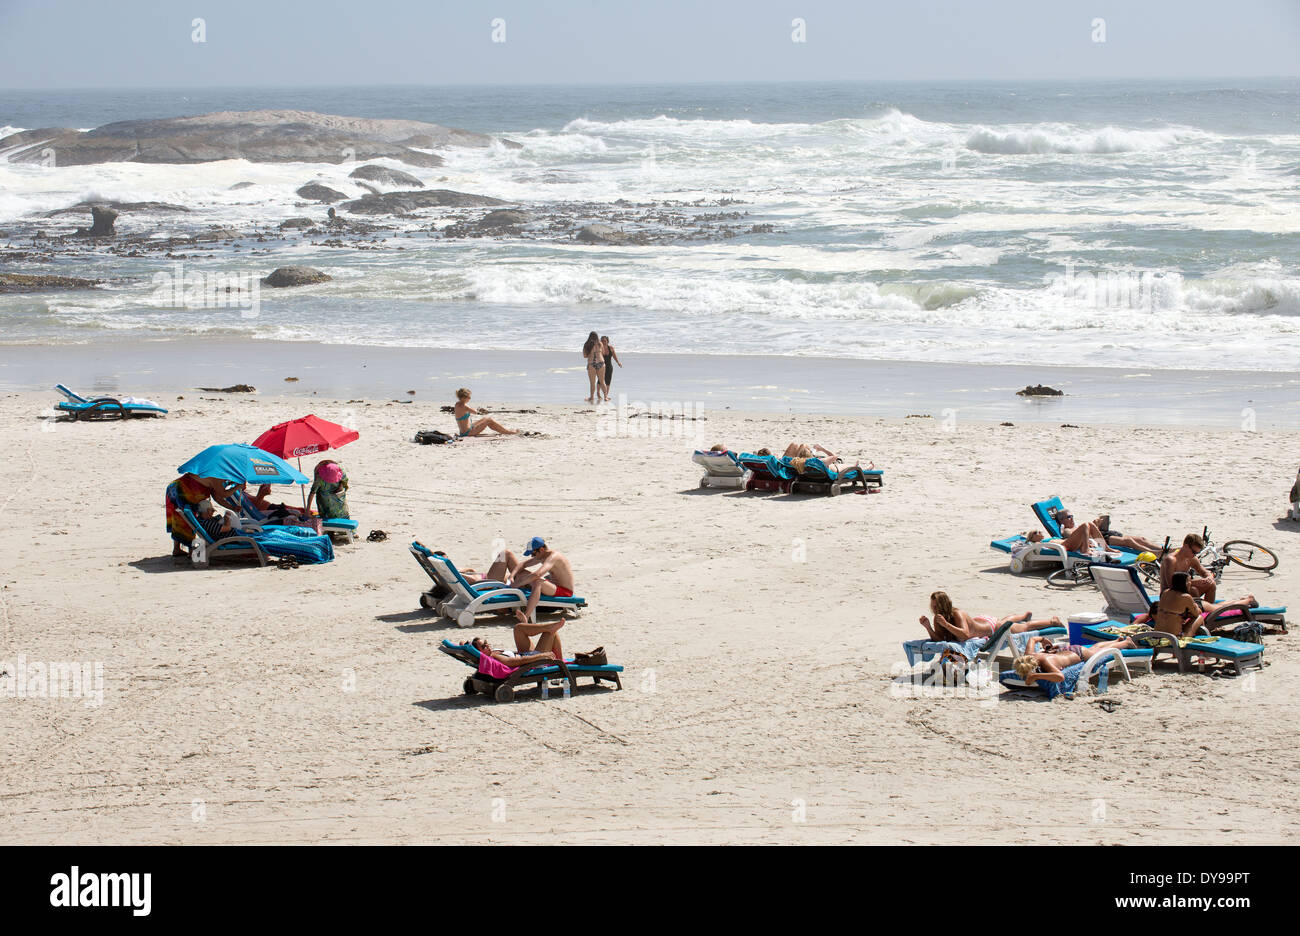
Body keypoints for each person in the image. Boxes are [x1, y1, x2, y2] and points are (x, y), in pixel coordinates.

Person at [919, 591, 1062, 642]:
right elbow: (938, 639)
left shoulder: (957, 614)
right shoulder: (938, 618)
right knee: (1005, 620)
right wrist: (928, 628)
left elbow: (965, 634)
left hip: (991, 627)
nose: (934, 609)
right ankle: (1024, 614)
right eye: (933, 606)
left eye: (936, 606)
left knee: (1023, 627)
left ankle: (1052, 621)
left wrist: (946, 625)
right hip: (980, 621)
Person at [166, 472, 240, 559]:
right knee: (187, 520)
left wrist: (232, 507)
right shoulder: (216, 476)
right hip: (183, 489)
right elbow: (223, 494)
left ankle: (177, 549)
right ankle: (191, 551)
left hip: (174, 487)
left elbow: (217, 498)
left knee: (180, 518)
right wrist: (238, 487)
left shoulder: (214, 475)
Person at [1011, 635, 1138, 685]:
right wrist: (1044, 640)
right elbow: (1033, 639)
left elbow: (1059, 676)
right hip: (1068, 650)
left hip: (1079, 654)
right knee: (1095, 647)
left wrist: (1036, 677)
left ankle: (1125, 643)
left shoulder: (1046, 663)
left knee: (1097, 651)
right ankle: (1116, 640)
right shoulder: (1029, 654)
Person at [506, 537, 577, 625]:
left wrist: (518, 584)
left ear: (542, 549)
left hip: (564, 591)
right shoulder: (542, 555)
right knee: (522, 574)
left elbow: (538, 574)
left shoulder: (553, 557)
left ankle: (526, 617)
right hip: (553, 586)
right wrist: (512, 576)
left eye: (533, 554)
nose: (532, 556)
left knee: (537, 581)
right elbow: (522, 564)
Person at [1160, 533, 1217, 603]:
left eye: (1197, 553)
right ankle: (1197, 609)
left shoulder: (1191, 558)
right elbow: (1172, 584)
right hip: (1168, 594)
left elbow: (1204, 572)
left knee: (1211, 584)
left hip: (1184, 590)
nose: (1194, 555)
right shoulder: (1171, 560)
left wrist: (1209, 578)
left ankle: (1207, 612)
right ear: (1185, 546)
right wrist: (1194, 583)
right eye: (1194, 552)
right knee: (1193, 590)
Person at [582, 331, 606, 404]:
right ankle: (606, 397)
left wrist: (591, 354)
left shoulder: (587, 344)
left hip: (591, 364)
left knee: (592, 382)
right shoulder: (600, 344)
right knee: (602, 381)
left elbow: (584, 356)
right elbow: (603, 353)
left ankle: (592, 397)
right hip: (601, 363)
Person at [600, 335, 621, 400]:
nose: (604, 342)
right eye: (602, 341)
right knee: (600, 381)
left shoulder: (611, 348)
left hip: (609, 367)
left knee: (608, 381)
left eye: (605, 341)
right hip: (601, 367)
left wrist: (618, 362)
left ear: (607, 341)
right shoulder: (599, 349)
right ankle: (598, 394)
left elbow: (614, 356)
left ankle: (605, 396)